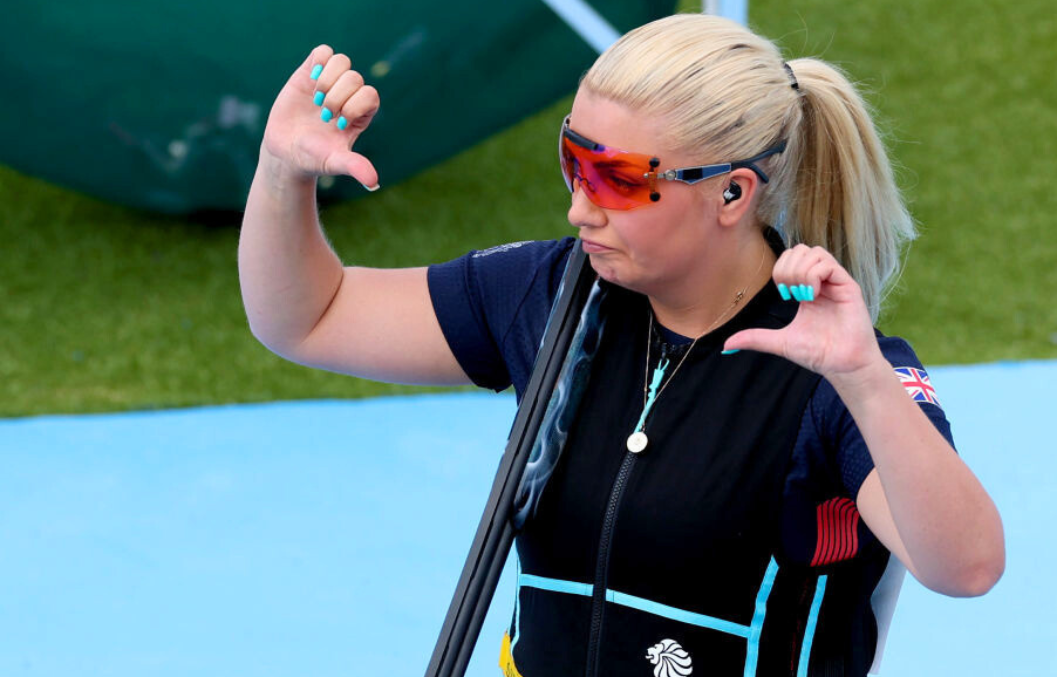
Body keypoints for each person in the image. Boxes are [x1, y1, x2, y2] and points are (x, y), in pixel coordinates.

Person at [239, 13, 1004, 677]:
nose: (578, 207)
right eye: (573, 160)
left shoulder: (832, 365)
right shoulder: (549, 294)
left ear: (731, 193)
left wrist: (865, 381)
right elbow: (310, 316)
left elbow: (967, 565)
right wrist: (282, 174)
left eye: (617, 180)